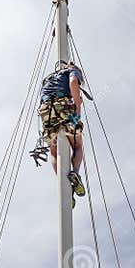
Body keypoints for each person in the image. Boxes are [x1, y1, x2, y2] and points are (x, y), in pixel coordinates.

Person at [38, 60, 86, 203]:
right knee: (77, 145)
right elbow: (73, 83)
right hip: (63, 105)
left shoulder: (48, 78)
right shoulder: (72, 70)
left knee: (53, 151)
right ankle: (75, 174)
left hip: (46, 110)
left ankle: (63, 185)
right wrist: (77, 106)